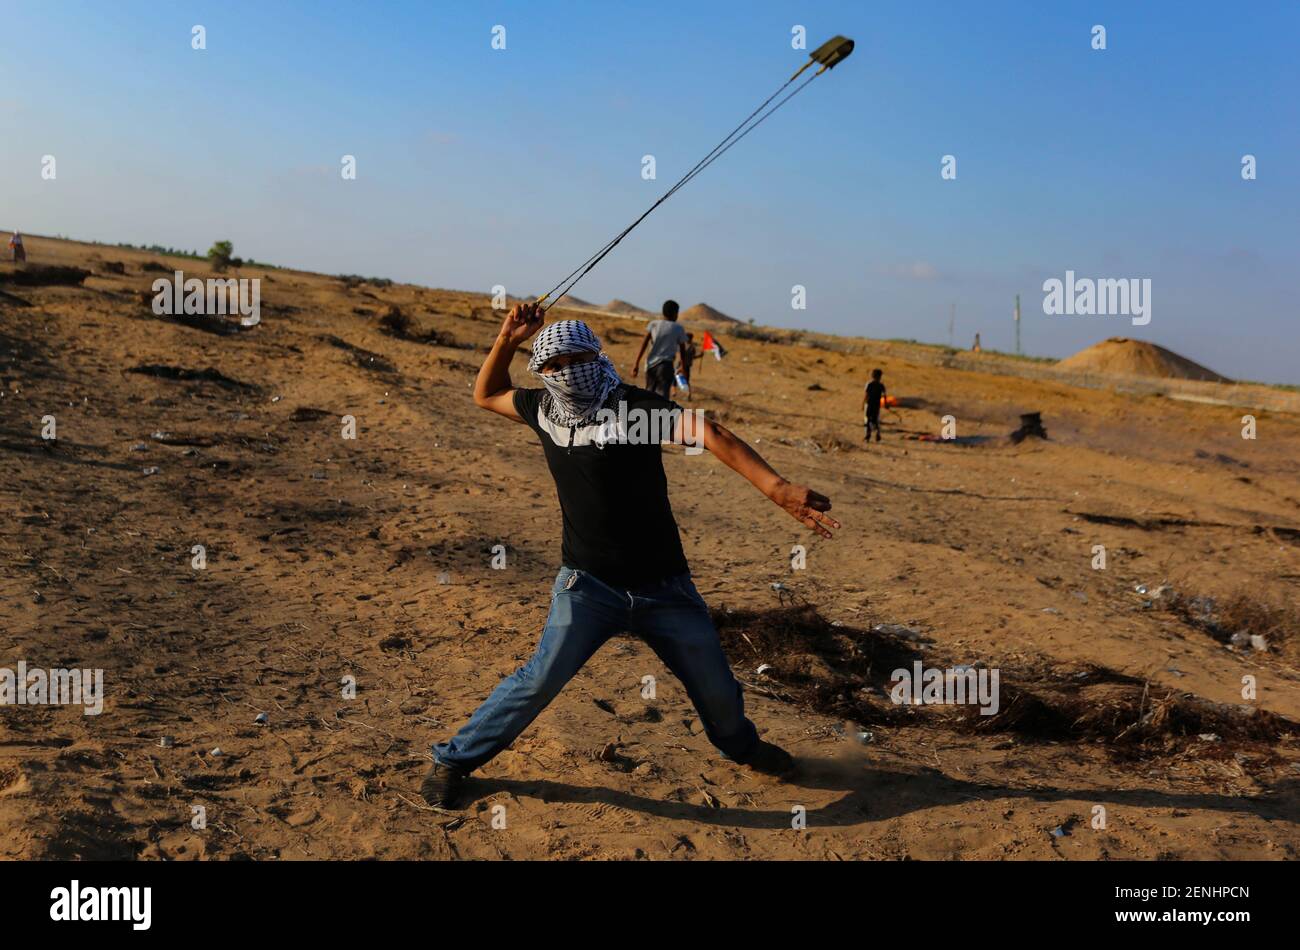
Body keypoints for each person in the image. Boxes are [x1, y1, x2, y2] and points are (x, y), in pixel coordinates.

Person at [422, 302, 840, 809]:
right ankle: (453, 759)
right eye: (554, 365)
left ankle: (742, 747)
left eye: (576, 359)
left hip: (665, 587)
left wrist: (775, 487)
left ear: (597, 358)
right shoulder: (544, 411)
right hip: (587, 586)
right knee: (537, 680)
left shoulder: (636, 411)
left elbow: (711, 433)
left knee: (717, 691)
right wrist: (507, 339)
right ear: (544, 370)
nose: (565, 372)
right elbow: (486, 393)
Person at [633, 299, 689, 399]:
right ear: (675, 313)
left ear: (663, 312)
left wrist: (636, 363)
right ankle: (659, 414)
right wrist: (683, 368)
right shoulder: (678, 328)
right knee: (662, 397)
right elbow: (683, 351)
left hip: (650, 365)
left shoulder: (654, 324)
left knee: (648, 392)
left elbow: (644, 344)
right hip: (666, 366)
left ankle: (646, 413)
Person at [862, 368, 885, 443]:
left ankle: (867, 436)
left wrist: (863, 403)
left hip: (869, 404)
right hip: (876, 405)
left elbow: (866, 395)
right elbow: (884, 396)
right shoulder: (881, 385)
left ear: (872, 376)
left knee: (868, 420)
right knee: (876, 420)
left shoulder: (869, 384)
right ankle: (878, 434)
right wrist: (885, 404)